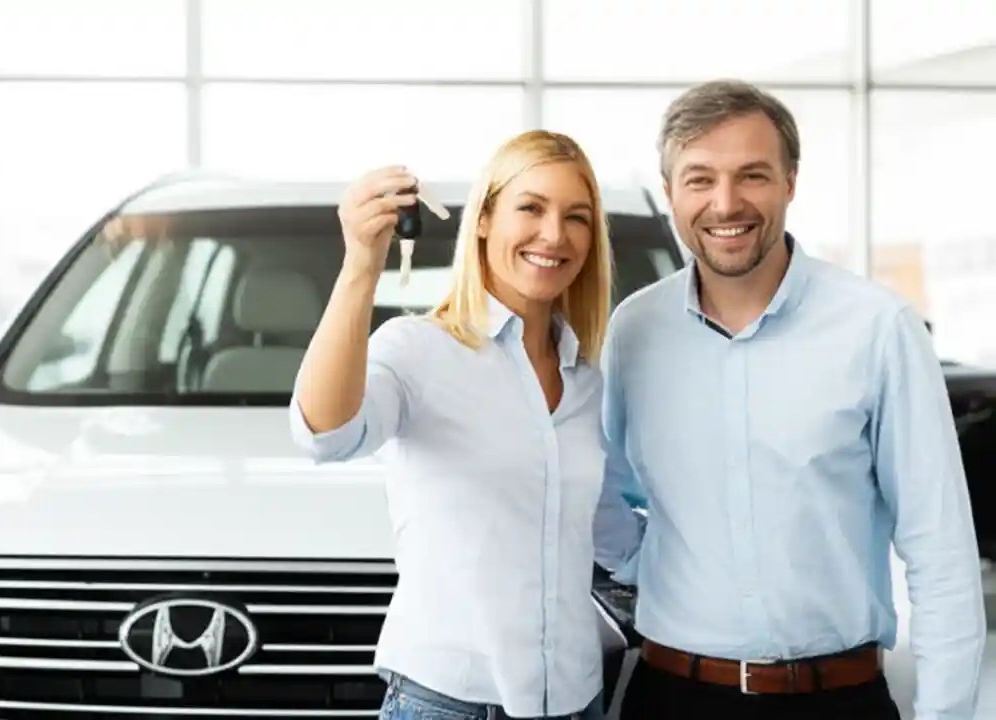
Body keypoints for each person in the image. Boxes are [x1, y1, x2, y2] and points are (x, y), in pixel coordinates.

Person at [597, 79, 988, 719]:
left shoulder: (878, 328)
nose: (726, 204)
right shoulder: (634, 331)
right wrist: (652, 564)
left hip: (836, 701)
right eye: (699, 180)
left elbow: (940, 549)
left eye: (752, 175)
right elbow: (600, 487)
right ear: (669, 191)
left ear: (790, 182)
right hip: (670, 697)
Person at [289, 130, 637, 719]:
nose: (554, 235)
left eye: (576, 217)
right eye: (530, 208)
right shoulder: (419, 350)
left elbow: (611, 535)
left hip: (579, 704)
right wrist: (360, 267)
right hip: (448, 706)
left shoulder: (586, 381)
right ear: (483, 220)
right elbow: (326, 433)